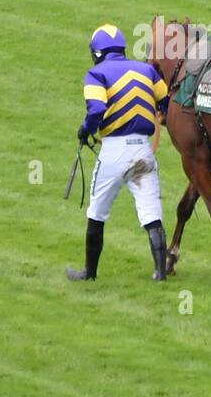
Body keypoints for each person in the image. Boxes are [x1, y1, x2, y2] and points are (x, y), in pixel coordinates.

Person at [66, 24, 171, 282]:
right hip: (143, 150)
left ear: (97, 53)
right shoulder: (146, 70)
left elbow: (96, 110)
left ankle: (89, 273)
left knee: (97, 213)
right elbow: (165, 99)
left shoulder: (96, 74)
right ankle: (160, 272)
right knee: (151, 213)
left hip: (113, 152)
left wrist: (84, 130)